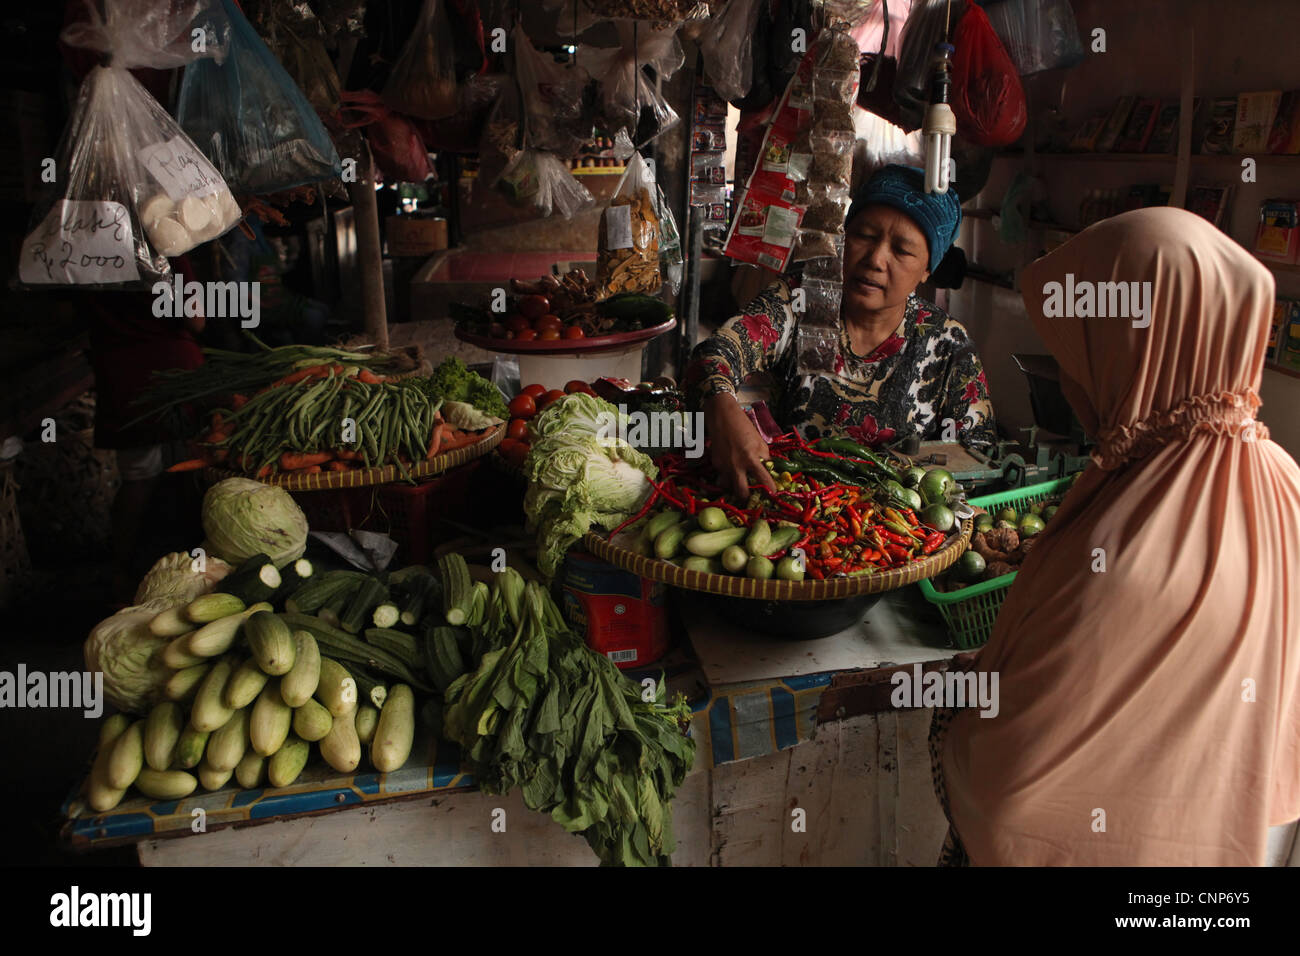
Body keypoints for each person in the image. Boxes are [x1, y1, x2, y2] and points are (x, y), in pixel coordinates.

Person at [933, 207, 1300, 865]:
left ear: (1133, 353)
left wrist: (953, 726)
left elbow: (1012, 797)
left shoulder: (1127, 539)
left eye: (1080, 350)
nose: (1071, 377)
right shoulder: (1283, 482)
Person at [685, 164, 996, 496]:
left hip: (900, 533)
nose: (876, 259)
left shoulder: (948, 344)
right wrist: (722, 405)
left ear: (926, 269)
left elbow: (979, 456)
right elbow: (717, 352)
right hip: (796, 510)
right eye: (865, 235)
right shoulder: (801, 301)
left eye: (902, 250)